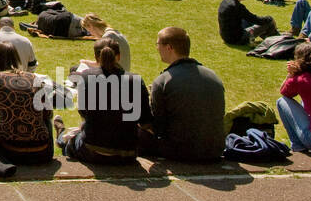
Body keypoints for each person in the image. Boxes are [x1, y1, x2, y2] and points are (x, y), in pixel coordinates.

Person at [55, 34, 151, 164]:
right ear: (119, 56)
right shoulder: (135, 80)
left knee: (70, 140)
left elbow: (83, 112)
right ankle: (63, 136)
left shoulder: (87, 77)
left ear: (96, 58)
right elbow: (145, 120)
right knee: (78, 133)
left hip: (92, 150)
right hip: (127, 154)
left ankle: (61, 137)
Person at [143, 27, 226, 161]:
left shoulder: (163, 80)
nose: (157, 48)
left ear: (169, 47)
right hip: (214, 149)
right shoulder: (212, 76)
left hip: (180, 151)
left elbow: (158, 126)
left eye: (158, 44)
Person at [0, 42, 54, 163]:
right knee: (46, 120)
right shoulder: (34, 78)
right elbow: (48, 114)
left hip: (8, 152)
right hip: (42, 152)